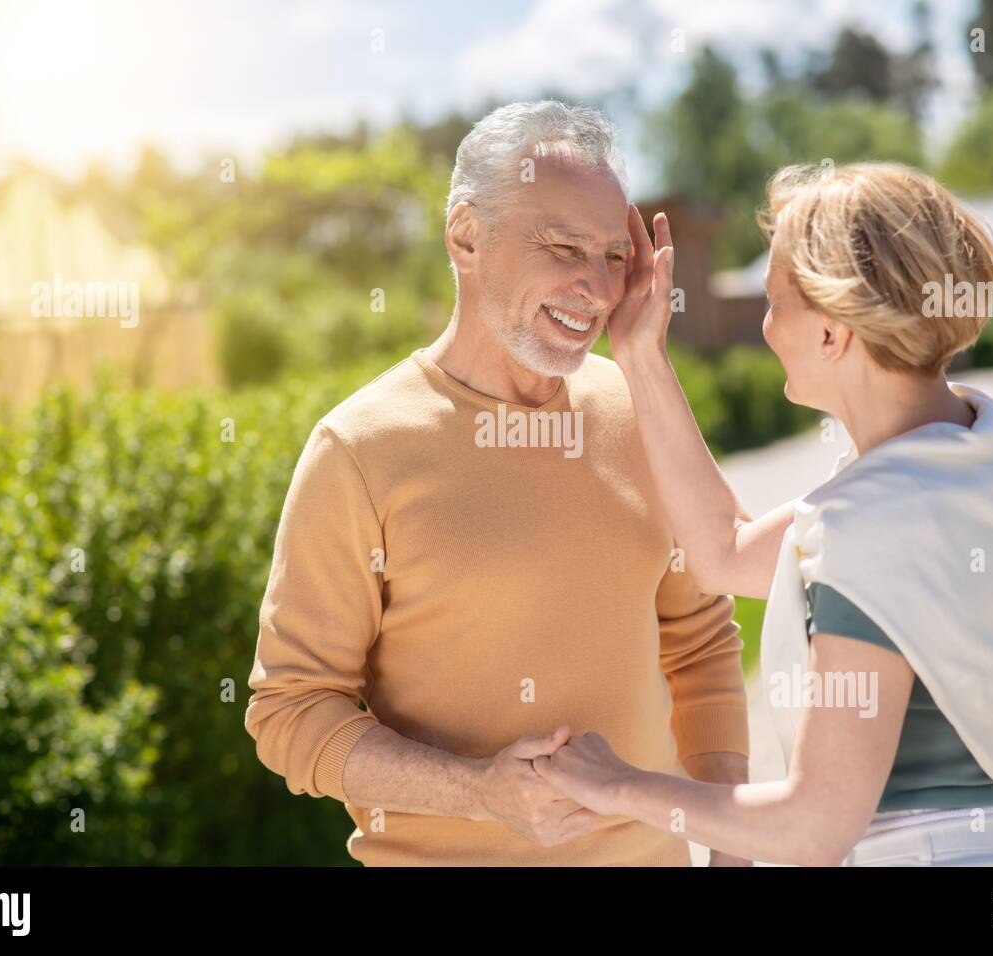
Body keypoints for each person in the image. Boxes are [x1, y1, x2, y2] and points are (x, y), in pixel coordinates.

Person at [533, 161, 993, 866]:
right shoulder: (987, 448)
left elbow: (813, 828)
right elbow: (724, 553)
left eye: (775, 304)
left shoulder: (871, 524)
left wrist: (619, 786)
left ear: (834, 335)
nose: (767, 329)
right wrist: (641, 355)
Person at [243, 100, 757, 866]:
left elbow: (700, 642)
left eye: (615, 256)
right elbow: (291, 714)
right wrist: (479, 789)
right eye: (562, 246)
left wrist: (732, 843)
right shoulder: (358, 450)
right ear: (466, 236)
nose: (594, 287)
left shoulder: (638, 408)